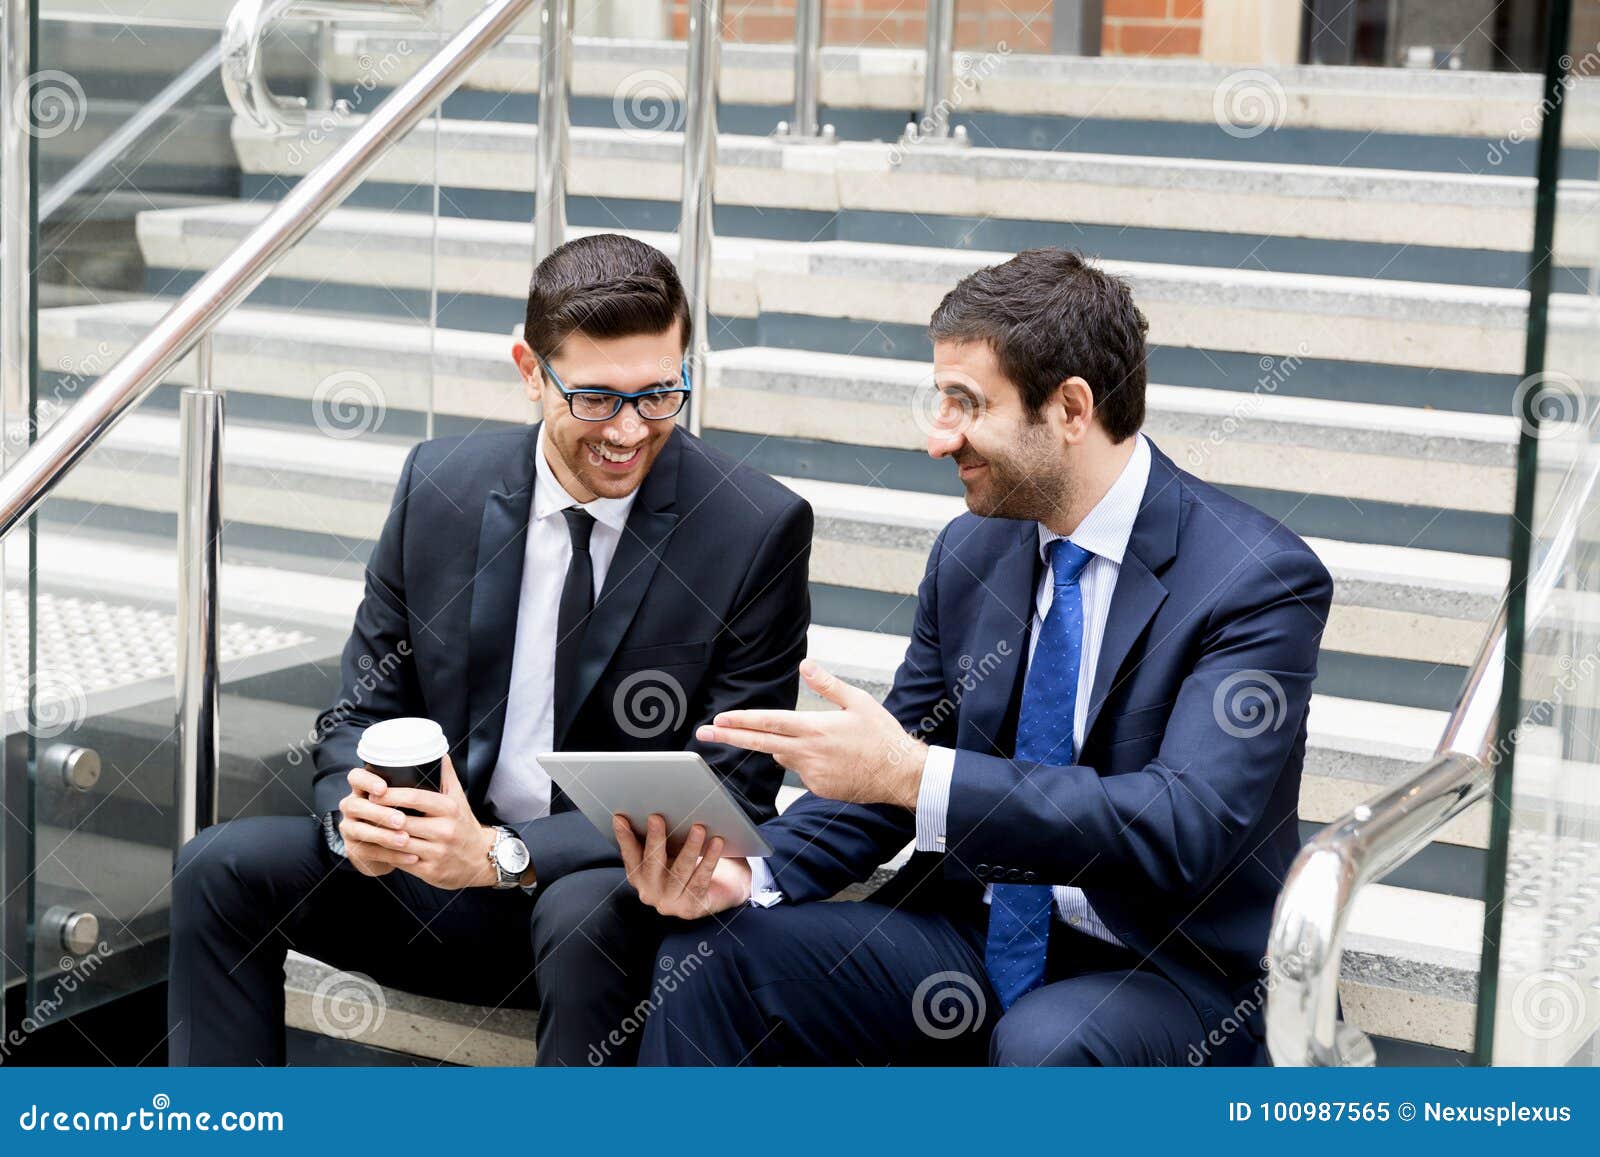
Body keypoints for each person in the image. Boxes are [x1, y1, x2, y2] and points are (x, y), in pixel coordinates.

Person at [619, 247, 1334, 1067]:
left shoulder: (1255, 578)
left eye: (965, 403)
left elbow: (1183, 825)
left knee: (1045, 1047)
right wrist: (751, 876)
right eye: (939, 400)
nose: (937, 438)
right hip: (980, 933)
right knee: (711, 962)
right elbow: (889, 776)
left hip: (1174, 967)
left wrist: (916, 775)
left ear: (1070, 407)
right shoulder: (972, 553)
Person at [168, 233, 812, 1067]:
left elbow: (735, 788)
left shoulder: (756, 527)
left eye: (660, 393)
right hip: (433, 874)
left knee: (581, 917)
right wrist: (354, 816)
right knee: (216, 866)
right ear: (528, 370)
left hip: (603, 901)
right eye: (595, 398)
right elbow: (360, 710)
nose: (630, 430)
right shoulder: (440, 485)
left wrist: (505, 857)